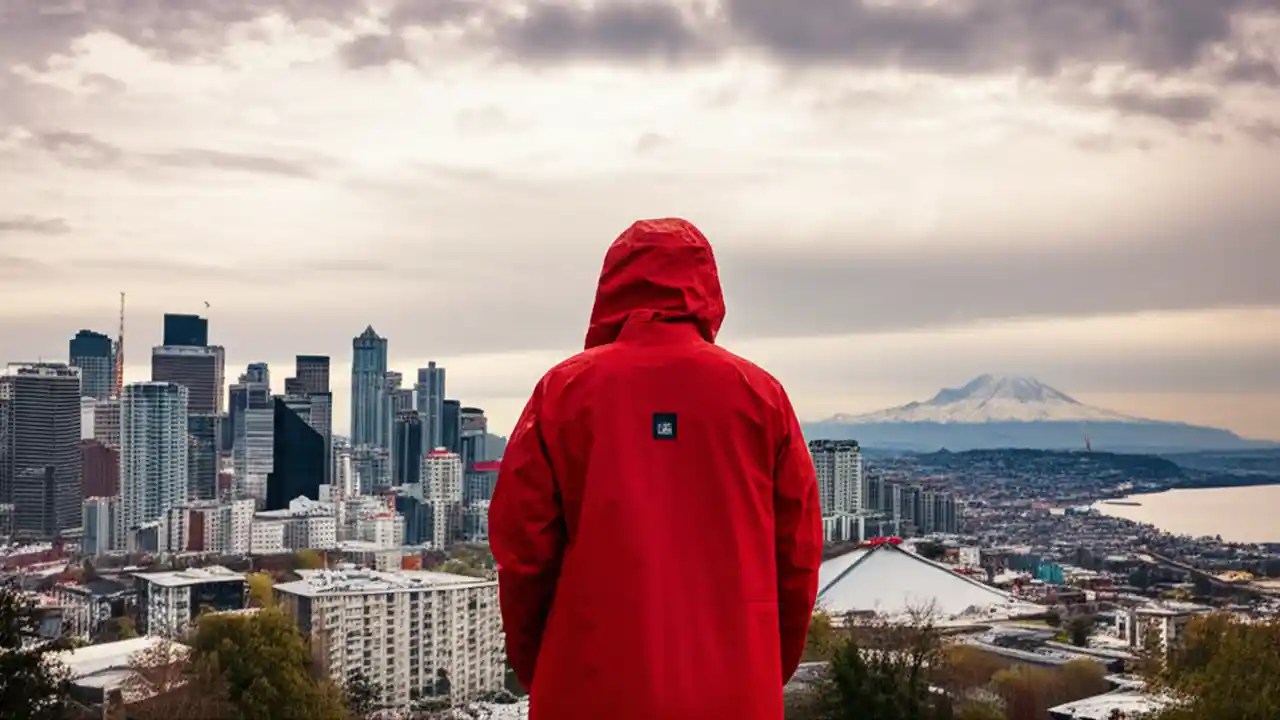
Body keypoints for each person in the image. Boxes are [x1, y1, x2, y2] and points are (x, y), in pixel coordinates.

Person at [489, 218, 823, 719]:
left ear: (610, 288)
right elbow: (797, 557)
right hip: (734, 693)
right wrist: (760, 669)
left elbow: (522, 555)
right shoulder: (762, 397)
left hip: (589, 687)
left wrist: (546, 667)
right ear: (708, 291)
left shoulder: (563, 393)